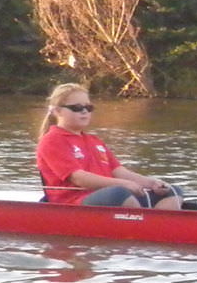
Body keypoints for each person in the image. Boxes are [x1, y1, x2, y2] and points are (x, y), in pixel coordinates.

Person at [34, 84, 182, 210]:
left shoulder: (94, 141)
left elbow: (119, 171)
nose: (84, 111)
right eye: (77, 107)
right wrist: (124, 185)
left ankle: (158, 230)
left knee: (172, 190)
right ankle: (141, 230)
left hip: (107, 195)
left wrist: (151, 182)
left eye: (88, 107)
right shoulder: (52, 140)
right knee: (118, 193)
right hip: (72, 203)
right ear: (57, 111)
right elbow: (79, 179)